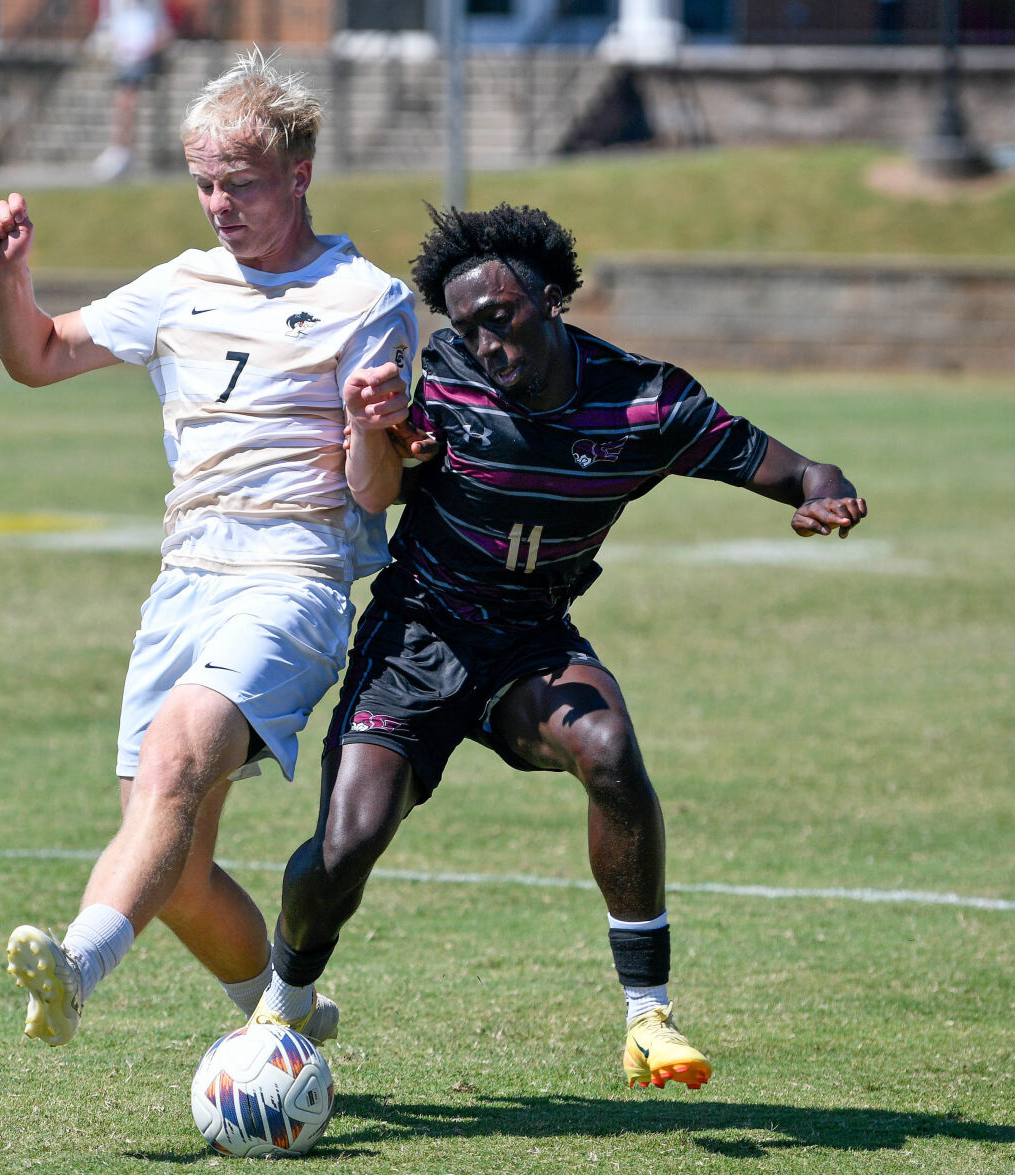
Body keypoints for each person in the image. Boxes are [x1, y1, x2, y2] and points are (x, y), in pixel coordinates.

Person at [252, 204, 868, 1090]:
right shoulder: (445, 380)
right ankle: (282, 1003)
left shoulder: (646, 401)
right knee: (345, 847)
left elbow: (803, 469)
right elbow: (386, 474)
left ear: (550, 297)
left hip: (530, 645)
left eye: (498, 318)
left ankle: (647, 1016)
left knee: (607, 748)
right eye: (465, 326)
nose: (483, 343)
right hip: (416, 636)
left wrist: (822, 495)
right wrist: (395, 439)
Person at [0, 50, 419, 1049]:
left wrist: (367, 426)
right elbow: (37, 355)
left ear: (299, 174)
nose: (219, 205)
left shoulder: (366, 298)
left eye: (240, 184)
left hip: (291, 579)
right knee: (169, 864)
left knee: (176, 756)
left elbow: (375, 492)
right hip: (184, 582)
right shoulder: (180, 284)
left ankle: (76, 966)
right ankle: (289, 1013)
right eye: (204, 184)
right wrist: (9, 280)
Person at [91, 0, 172, 182]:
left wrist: (146, 48)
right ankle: (119, 147)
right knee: (123, 98)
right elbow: (106, 26)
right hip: (123, 57)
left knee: (127, 97)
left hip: (144, 56)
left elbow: (164, 31)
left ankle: (122, 148)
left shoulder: (151, 5)